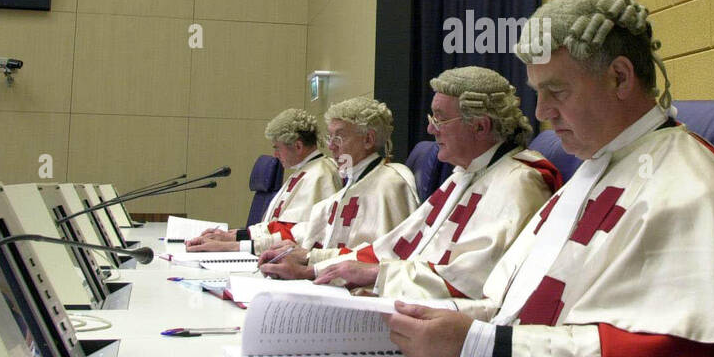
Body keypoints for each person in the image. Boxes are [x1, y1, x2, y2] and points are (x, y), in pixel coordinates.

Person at [385, 0, 714, 357]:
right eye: (536, 92)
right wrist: (461, 327)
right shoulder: (589, 173)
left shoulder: (693, 192)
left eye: (557, 90)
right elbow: (520, 310)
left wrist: (479, 346)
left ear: (620, 77)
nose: (540, 113)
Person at [311, 66, 561, 299]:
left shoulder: (519, 182)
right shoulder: (461, 176)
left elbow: (473, 282)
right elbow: (393, 249)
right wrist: (315, 264)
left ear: (480, 127)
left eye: (440, 119)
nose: (431, 130)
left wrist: (379, 277)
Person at [262, 97, 417, 279]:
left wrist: (309, 258)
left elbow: (383, 258)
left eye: (339, 137)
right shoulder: (353, 183)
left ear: (368, 139)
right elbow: (320, 238)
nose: (330, 146)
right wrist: (293, 248)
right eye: (330, 136)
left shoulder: (390, 183)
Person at [185, 108, 340, 253]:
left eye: (277, 148)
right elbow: (275, 228)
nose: (275, 154)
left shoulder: (320, 175)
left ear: (298, 146)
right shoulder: (305, 170)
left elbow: (296, 236)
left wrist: (232, 244)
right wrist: (234, 235)